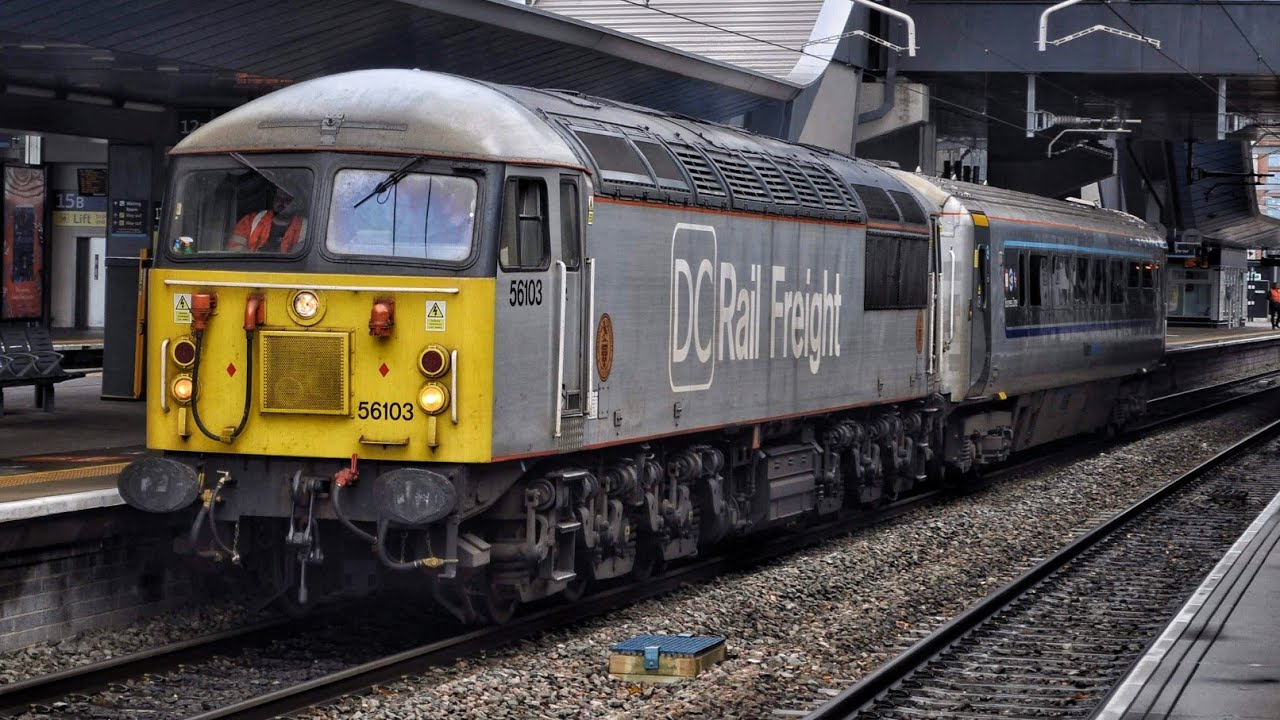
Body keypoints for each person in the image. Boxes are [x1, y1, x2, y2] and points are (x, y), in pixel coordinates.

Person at [228, 187, 306, 253]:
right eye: (278, 198)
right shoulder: (250, 220)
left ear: (296, 203)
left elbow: (302, 260)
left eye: (287, 199)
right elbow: (234, 249)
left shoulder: (305, 227)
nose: (281, 202)